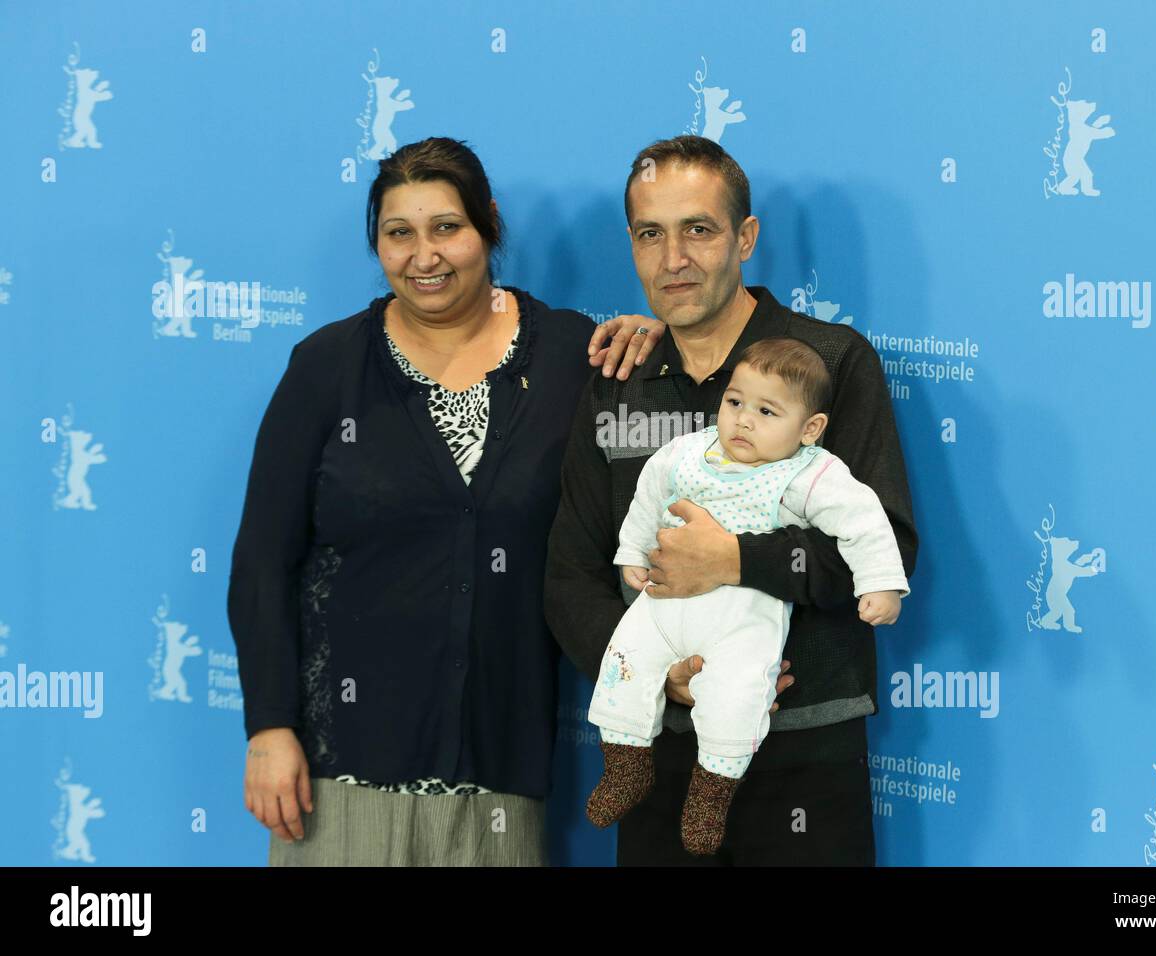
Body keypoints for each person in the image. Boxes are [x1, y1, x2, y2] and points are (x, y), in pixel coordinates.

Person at [228, 136, 662, 867]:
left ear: (487, 224)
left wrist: (664, 343)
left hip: (498, 772)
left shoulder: (571, 356)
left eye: (446, 228)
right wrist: (269, 727)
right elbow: (262, 562)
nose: (423, 256)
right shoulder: (327, 366)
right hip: (338, 773)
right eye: (399, 233)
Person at [544, 135, 919, 866]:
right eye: (651, 234)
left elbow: (884, 548)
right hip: (655, 753)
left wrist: (735, 560)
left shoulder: (830, 366)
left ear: (746, 238)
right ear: (631, 246)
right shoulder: (622, 378)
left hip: (804, 747)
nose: (673, 258)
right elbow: (570, 574)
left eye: (699, 230)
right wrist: (663, 676)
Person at [585, 338, 910, 855]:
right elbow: (649, 493)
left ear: (809, 429)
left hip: (743, 617)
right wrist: (632, 550)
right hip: (663, 606)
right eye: (735, 402)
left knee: (738, 694)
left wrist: (879, 583)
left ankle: (712, 790)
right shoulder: (687, 450)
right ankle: (625, 764)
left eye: (766, 411)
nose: (742, 421)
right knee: (625, 662)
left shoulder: (808, 473)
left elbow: (864, 522)